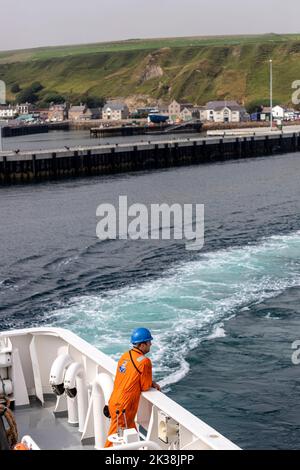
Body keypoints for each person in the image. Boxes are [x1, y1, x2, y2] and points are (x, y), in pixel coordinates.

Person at [104, 327, 160, 447]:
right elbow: (145, 387)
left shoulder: (125, 356)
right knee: (114, 440)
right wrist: (152, 382)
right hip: (124, 407)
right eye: (149, 341)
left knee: (131, 436)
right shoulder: (144, 362)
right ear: (142, 344)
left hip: (115, 401)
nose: (151, 344)